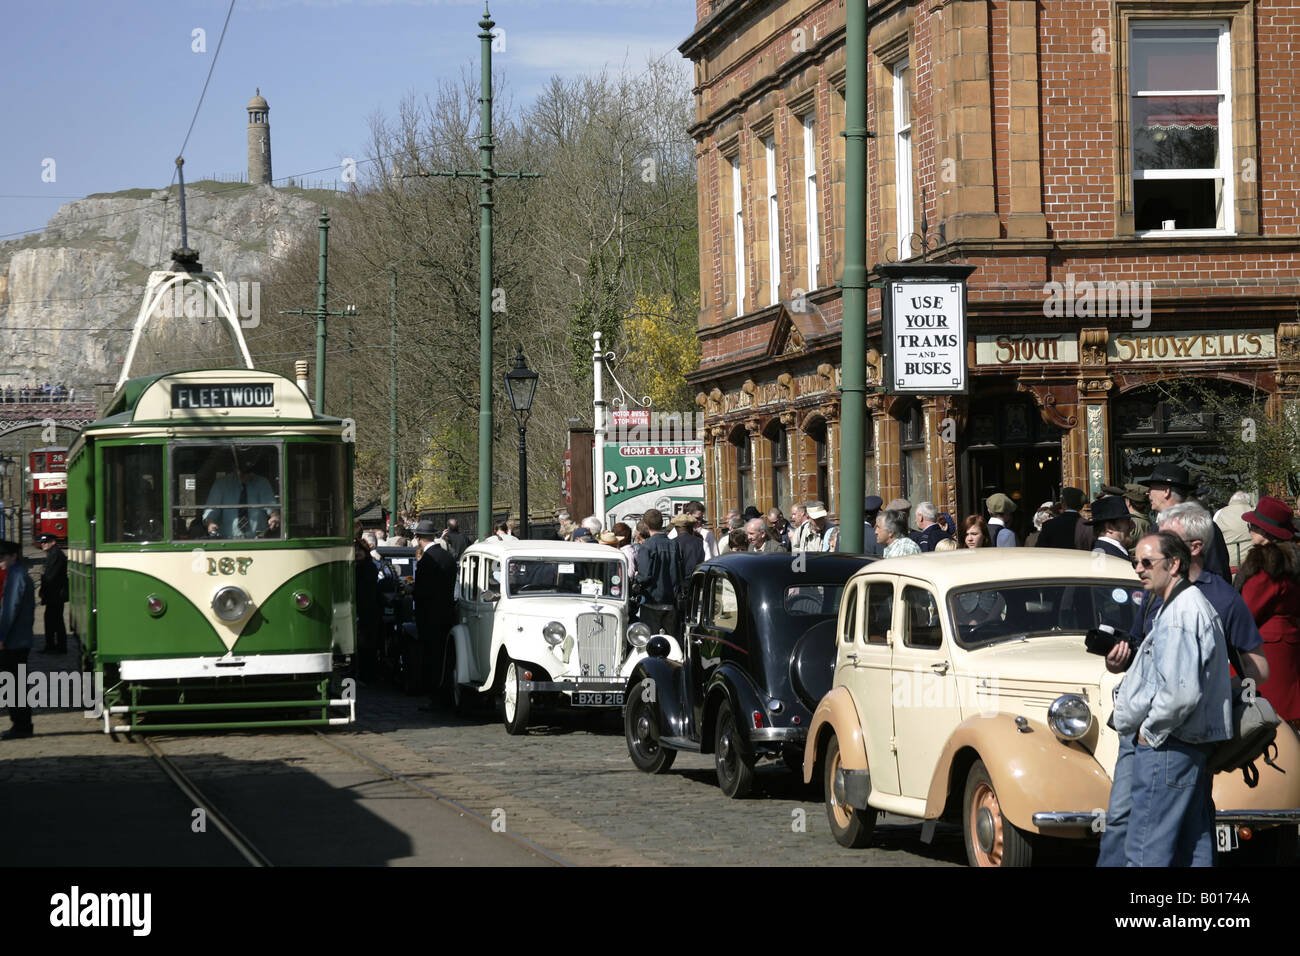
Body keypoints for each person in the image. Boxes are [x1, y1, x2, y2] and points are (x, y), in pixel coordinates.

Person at [1098, 531, 1231, 867]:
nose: (1139, 569)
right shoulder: (1184, 605)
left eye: (1147, 562)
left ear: (1173, 565)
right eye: (1135, 562)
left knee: (1146, 847)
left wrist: (1149, 733)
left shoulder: (1178, 614)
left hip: (1169, 744)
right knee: (1193, 838)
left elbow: (1179, 693)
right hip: (1187, 743)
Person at [1234, 496, 1300, 725]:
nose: (1250, 530)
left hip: (1266, 651)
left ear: (1264, 530)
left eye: (1253, 526)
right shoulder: (1290, 559)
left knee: (1267, 720)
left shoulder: (1267, 564)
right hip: (1286, 646)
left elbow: (1247, 611)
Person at [1138, 464, 1231, 582]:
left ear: (1166, 491)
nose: (1148, 493)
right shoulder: (1156, 529)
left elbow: (1218, 574)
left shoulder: (1203, 526)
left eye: (1152, 488)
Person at [412, 520, 457, 703]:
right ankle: (444, 691)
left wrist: (411, 591)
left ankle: (434, 694)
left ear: (418, 538)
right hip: (446, 611)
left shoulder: (426, 561)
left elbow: (423, 591)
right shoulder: (447, 557)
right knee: (444, 656)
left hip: (429, 615)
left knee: (431, 656)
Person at [0, 540, 36, 739]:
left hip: (14, 641)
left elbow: (9, 610)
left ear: (14, 556)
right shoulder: (20, 574)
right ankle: (21, 724)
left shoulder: (15, 576)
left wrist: (1, 636)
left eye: (2, 557)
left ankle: (21, 725)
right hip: (20, 639)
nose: (0, 562)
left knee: (14, 685)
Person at [203, 450, 280, 538]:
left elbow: (271, 506)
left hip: (257, 540)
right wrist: (210, 523)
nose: (248, 475)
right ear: (234, 468)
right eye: (244, 472)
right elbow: (211, 510)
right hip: (227, 541)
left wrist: (274, 517)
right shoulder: (221, 485)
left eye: (250, 471)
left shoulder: (262, 483)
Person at [634, 509, 685, 637]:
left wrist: (636, 579)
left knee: (650, 642)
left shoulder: (647, 546)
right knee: (670, 644)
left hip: (652, 601)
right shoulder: (674, 545)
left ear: (645, 525)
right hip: (671, 601)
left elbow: (644, 576)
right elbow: (680, 573)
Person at [37, 534, 68, 655]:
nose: (43, 544)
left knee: (55, 620)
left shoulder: (55, 555)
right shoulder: (53, 554)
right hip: (53, 593)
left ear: (53, 542)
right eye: (42, 542)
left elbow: (50, 576)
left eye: (46, 542)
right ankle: (53, 645)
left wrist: (44, 590)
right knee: (52, 619)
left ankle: (58, 646)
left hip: (56, 594)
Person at [1215, 490, 1255, 573]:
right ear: (1248, 502)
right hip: (1253, 564)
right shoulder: (1255, 512)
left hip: (1229, 567)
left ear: (1231, 501)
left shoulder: (1220, 513)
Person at [1088, 496, 1135, 563]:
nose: (1133, 526)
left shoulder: (1105, 551)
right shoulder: (1112, 557)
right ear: (1109, 527)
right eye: (1127, 521)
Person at [671, 513, 706, 579]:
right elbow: (701, 562)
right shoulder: (699, 542)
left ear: (676, 528)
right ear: (691, 527)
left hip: (677, 583)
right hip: (694, 582)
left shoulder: (671, 543)